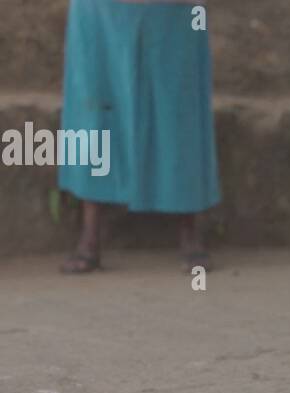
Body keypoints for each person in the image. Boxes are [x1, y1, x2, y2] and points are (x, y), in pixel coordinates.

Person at [58, 0, 221, 274]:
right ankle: (90, 236)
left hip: (175, 11)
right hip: (99, 9)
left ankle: (190, 233)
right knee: (96, 108)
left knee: (179, 109)